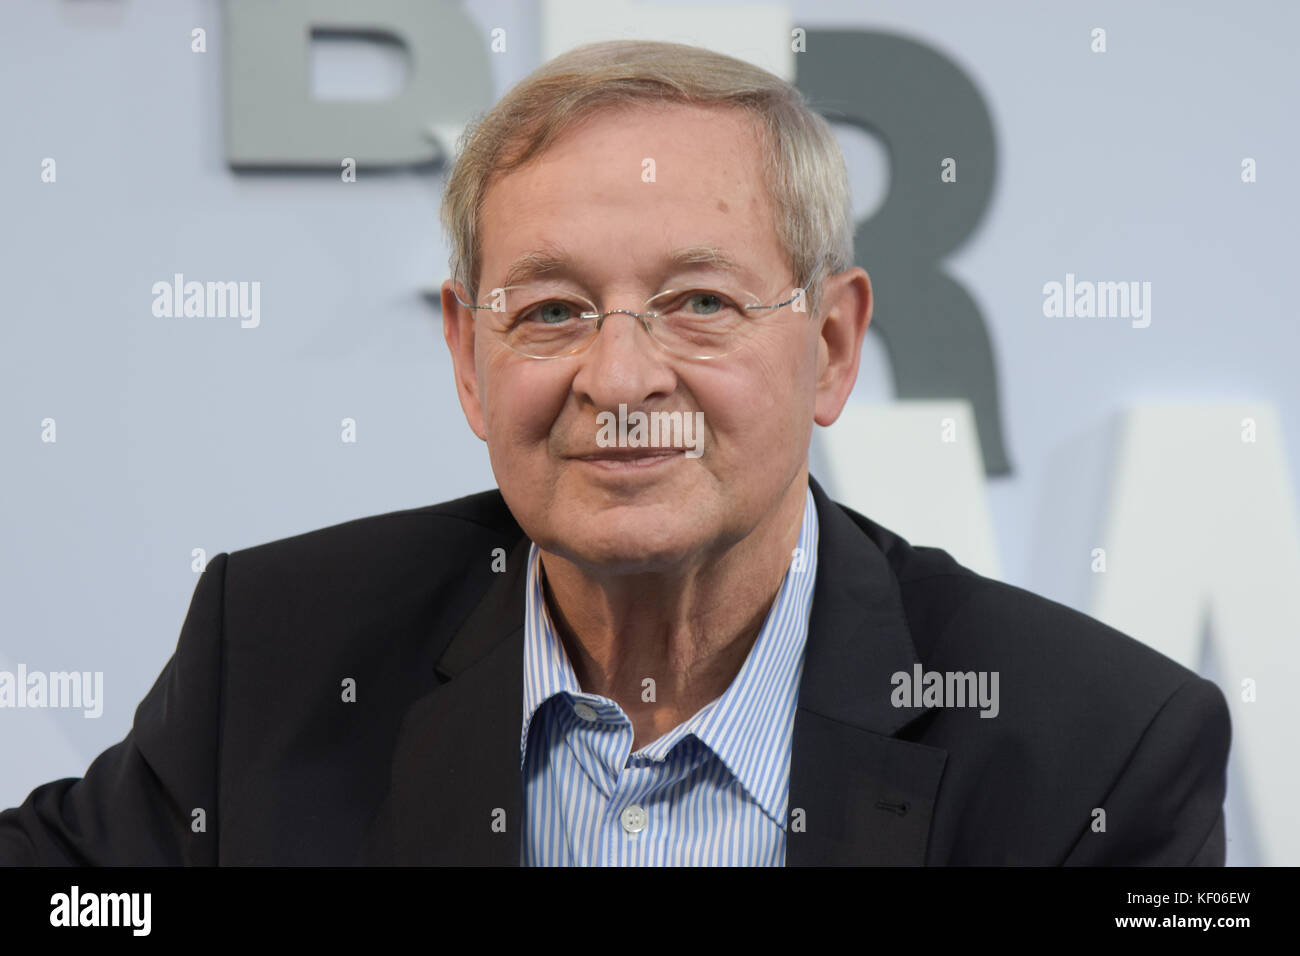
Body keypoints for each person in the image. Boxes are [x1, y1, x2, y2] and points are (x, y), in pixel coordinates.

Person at [0, 39, 1229, 866]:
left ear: (835, 344)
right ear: (469, 358)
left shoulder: (1099, 753)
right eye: (549, 310)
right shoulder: (276, 651)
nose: (621, 376)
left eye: (699, 302)